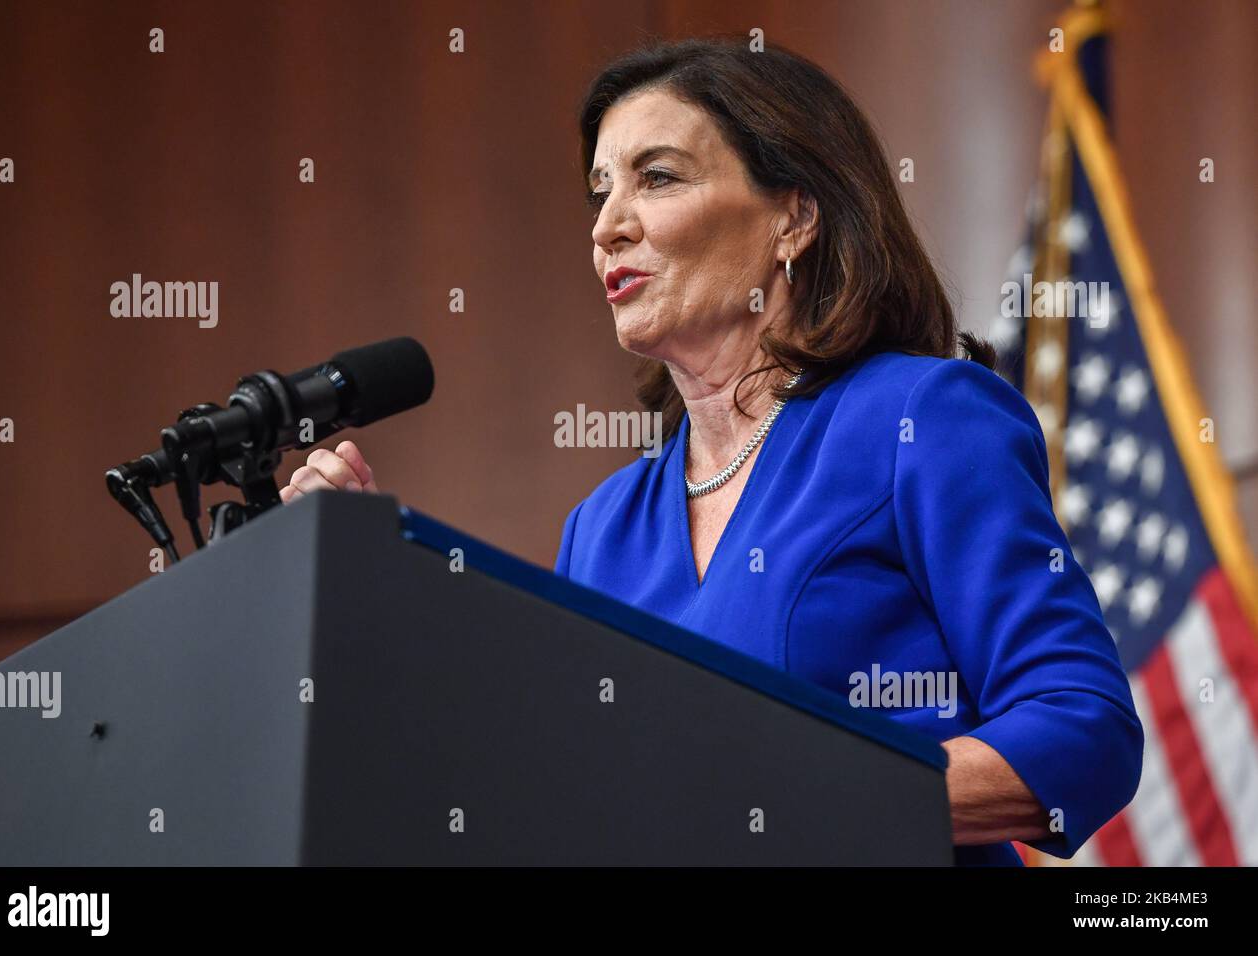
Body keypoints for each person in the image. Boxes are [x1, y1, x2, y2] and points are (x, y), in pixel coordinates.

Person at [282, 38, 1143, 866]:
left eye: (656, 178)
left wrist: (786, 802)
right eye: (599, 192)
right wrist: (380, 597)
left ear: (795, 216)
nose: (608, 227)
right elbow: (560, 795)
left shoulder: (920, 420)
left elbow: (1082, 728)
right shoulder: (604, 528)